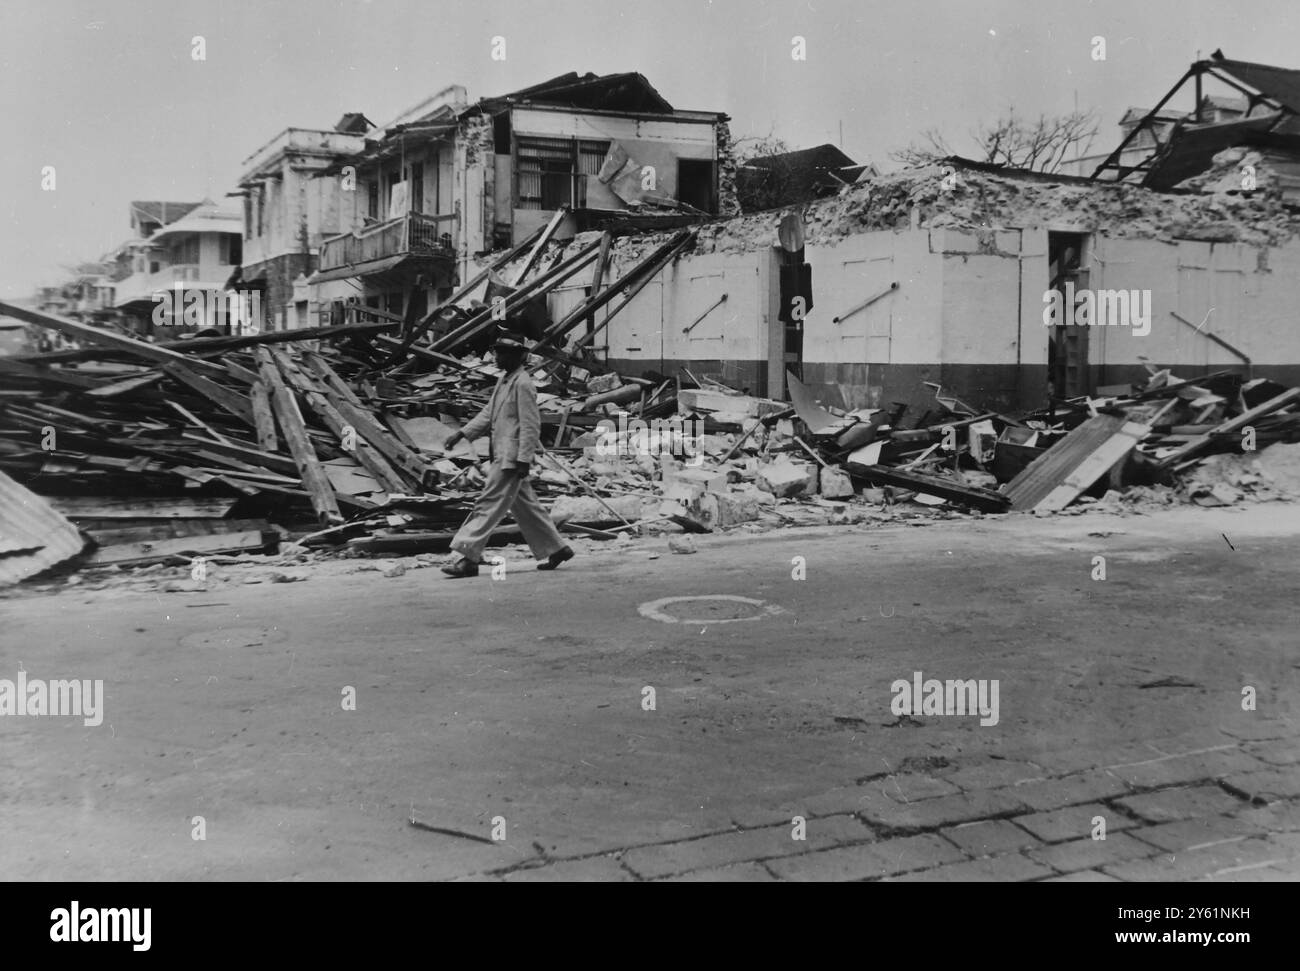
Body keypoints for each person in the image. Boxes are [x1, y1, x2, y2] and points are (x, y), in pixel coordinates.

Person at [441, 331, 574, 578]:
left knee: (487, 504)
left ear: (517, 357)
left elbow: (531, 425)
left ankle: (467, 558)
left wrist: (524, 460)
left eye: (502, 353)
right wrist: (462, 433)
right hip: (503, 455)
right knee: (527, 507)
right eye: (497, 352)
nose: (497, 357)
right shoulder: (504, 381)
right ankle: (557, 549)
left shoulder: (523, 384)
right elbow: (488, 413)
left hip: (511, 459)